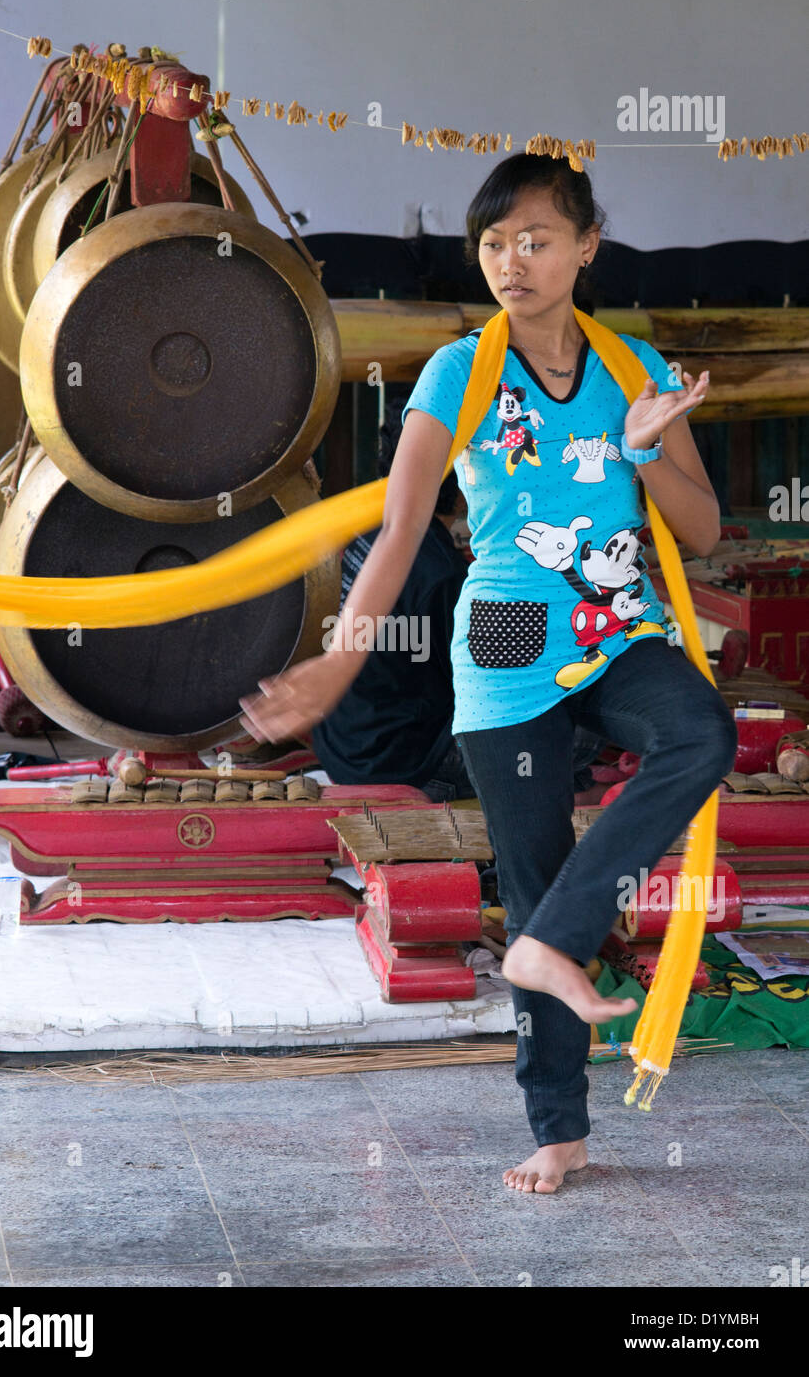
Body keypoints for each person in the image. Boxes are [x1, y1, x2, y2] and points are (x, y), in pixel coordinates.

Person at [240, 153, 737, 1195]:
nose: (513, 260)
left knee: (701, 732)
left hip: (614, 625)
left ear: (587, 246)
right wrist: (337, 664)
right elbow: (400, 528)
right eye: (496, 242)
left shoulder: (635, 367)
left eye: (538, 239)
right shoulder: (460, 372)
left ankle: (552, 940)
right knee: (536, 874)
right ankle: (558, 1125)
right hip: (509, 635)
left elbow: (698, 531)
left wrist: (646, 448)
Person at [311, 392, 610, 803]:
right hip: (403, 763)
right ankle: (568, 796)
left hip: (343, 743)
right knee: (583, 707)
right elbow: (488, 691)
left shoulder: (369, 530)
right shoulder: (439, 571)